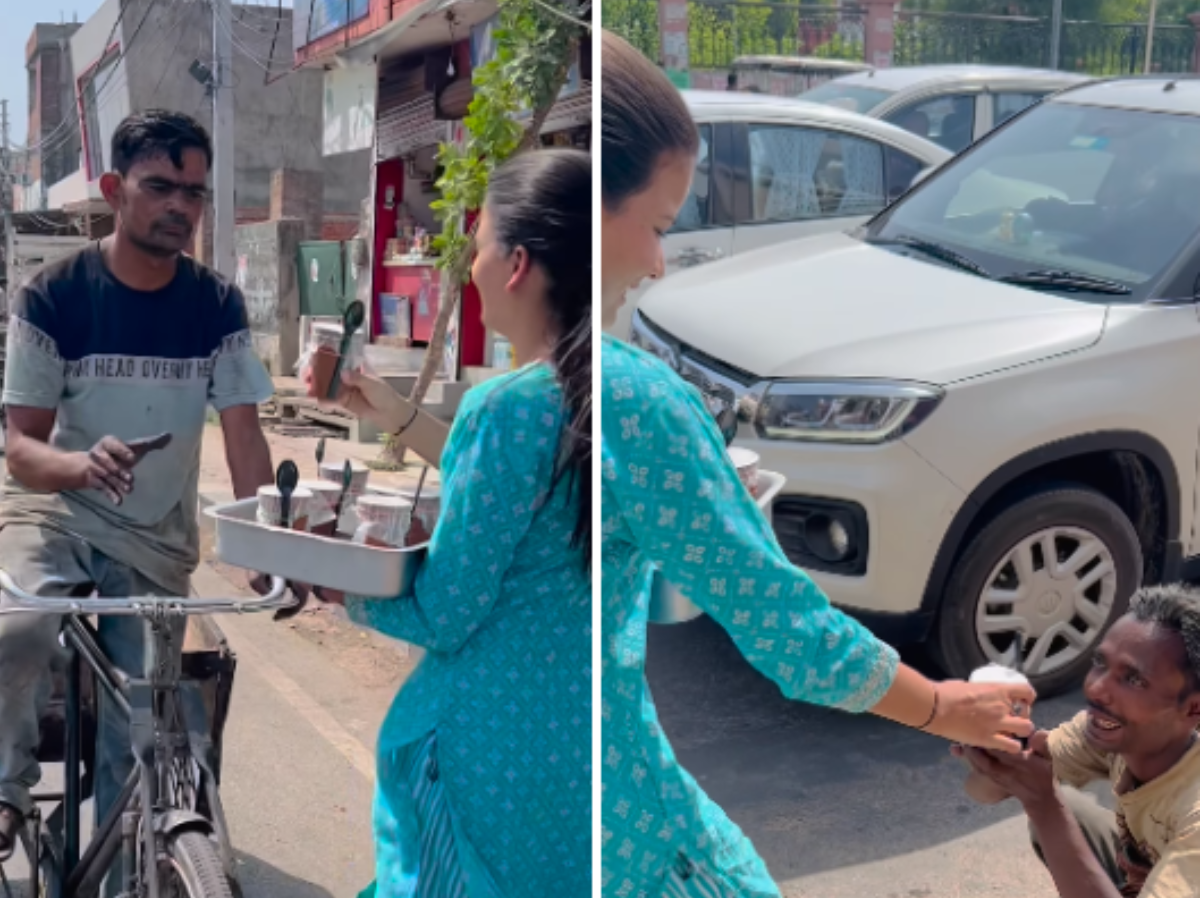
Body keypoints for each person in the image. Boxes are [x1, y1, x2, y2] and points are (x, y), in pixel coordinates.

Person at [599, 30, 1037, 898]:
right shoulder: (629, 397)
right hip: (600, 792)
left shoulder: (508, 400)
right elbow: (781, 622)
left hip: (454, 771)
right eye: (655, 225)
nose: (657, 262)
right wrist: (944, 706)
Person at [0, 111, 281, 873]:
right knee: (18, 633)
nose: (181, 207)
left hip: (154, 537)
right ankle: (5, 794)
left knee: (147, 727)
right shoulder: (53, 294)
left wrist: (266, 545)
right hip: (52, 508)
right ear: (114, 189)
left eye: (193, 191)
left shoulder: (215, 305)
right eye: (161, 187)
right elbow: (21, 447)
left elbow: (246, 435)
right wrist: (83, 465)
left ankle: (130, 872)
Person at [308, 149, 591, 897]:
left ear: (519, 264)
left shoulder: (510, 406)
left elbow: (445, 610)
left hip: (482, 758)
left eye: (480, 244)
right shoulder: (611, 395)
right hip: (575, 745)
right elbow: (514, 490)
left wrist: (342, 586)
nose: (469, 267)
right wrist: (386, 408)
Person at [956, 585, 1200, 898]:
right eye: (1100, 662)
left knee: (1054, 811)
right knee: (1071, 813)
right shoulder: (1111, 733)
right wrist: (994, 754)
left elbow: (1044, 803)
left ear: (1193, 708)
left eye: (1134, 679)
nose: (1096, 688)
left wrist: (1044, 805)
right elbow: (984, 791)